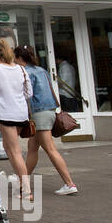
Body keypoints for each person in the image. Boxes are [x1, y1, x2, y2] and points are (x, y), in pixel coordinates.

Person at [14, 45, 78, 195]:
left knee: (50, 149)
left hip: (38, 113)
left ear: (19, 58)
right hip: (49, 111)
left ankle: (69, 183)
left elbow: (25, 94)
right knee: (32, 148)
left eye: (15, 57)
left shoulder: (24, 72)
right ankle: (22, 182)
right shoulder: (41, 70)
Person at [0, 39, 33, 204]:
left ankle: (26, 190)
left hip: (7, 114)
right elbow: (28, 93)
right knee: (8, 147)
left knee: (15, 151)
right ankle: (21, 183)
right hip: (21, 113)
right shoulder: (20, 69)